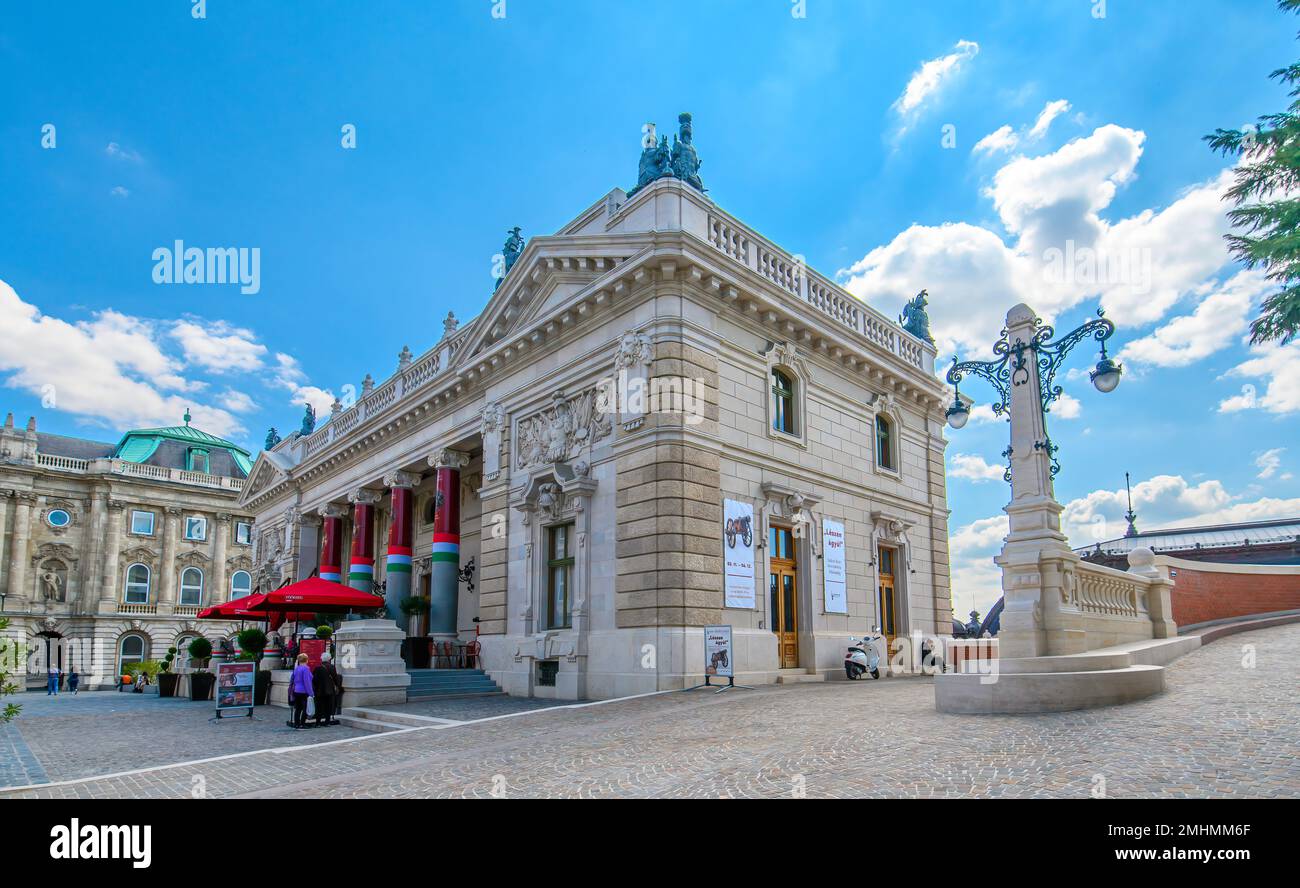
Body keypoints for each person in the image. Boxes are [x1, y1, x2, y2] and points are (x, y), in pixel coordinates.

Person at [312, 652, 340, 727]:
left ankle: (318, 723)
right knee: (328, 707)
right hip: (329, 690)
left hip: (319, 690)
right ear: (329, 659)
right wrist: (338, 686)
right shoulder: (331, 667)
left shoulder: (317, 668)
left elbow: (314, 680)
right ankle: (327, 722)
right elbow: (335, 678)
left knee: (319, 707)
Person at [288, 653, 314, 729]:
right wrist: (311, 693)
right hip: (304, 691)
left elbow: (292, 679)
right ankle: (302, 723)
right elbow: (307, 682)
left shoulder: (297, 668)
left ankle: (297, 723)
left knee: (298, 708)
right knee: (305, 708)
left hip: (296, 690)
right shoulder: (305, 669)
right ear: (306, 660)